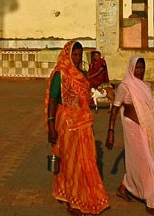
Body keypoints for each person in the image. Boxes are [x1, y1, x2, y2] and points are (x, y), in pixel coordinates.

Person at [45, 41, 110, 216]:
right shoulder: (60, 74)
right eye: (74, 55)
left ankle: (84, 192)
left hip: (84, 123)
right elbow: (53, 100)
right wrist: (51, 125)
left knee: (86, 159)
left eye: (79, 55)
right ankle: (71, 199)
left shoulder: (82, 74)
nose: (77, 58)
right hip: (66, 124)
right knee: (69, 161)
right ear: (67, 55)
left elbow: (86, 97)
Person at [106, 55, 154, 216]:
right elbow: (115, 108)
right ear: (131, 68)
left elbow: (146, 107)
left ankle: (123, 187)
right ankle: (151, 201)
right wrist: (110, 132)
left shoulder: (145, 86)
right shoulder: (125, 86)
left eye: (142, 67)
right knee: (145, 164)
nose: (140, 70)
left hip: (144, 127)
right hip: (132, 129)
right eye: (137, 67)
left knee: (141, 162)